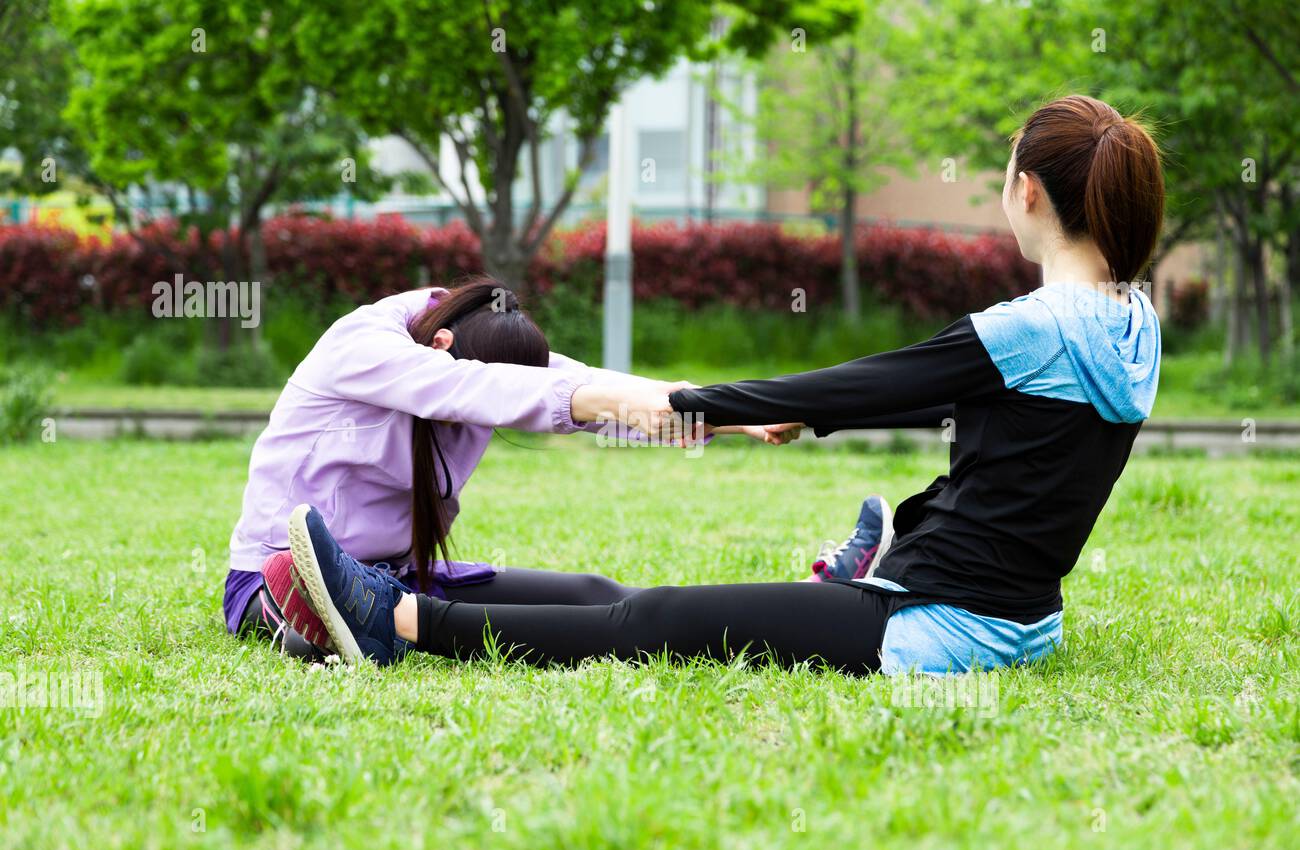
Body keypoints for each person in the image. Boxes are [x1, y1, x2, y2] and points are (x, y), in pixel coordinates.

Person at [283, 94, 1165, 676]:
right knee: (653, 603)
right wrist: (793, 419)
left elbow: (863, 384)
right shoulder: (1135, 329)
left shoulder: (1024, 330)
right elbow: (944, 400)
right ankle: (835, 587)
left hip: (937, 627)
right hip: (1023, 618)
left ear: (1028, 192)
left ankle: (395, 622)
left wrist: (694, 404)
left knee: (654, 621)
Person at [225, 276, 794, 661]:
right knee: (327, 612)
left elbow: (597, 387)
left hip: (391, 577)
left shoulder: (477, 336)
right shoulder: (364, 344)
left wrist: (730, 414)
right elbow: (481, 387)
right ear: (439, 343)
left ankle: (774, 618)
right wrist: (599, 402)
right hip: (278, 578)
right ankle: (320, 628)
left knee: (598, 594)